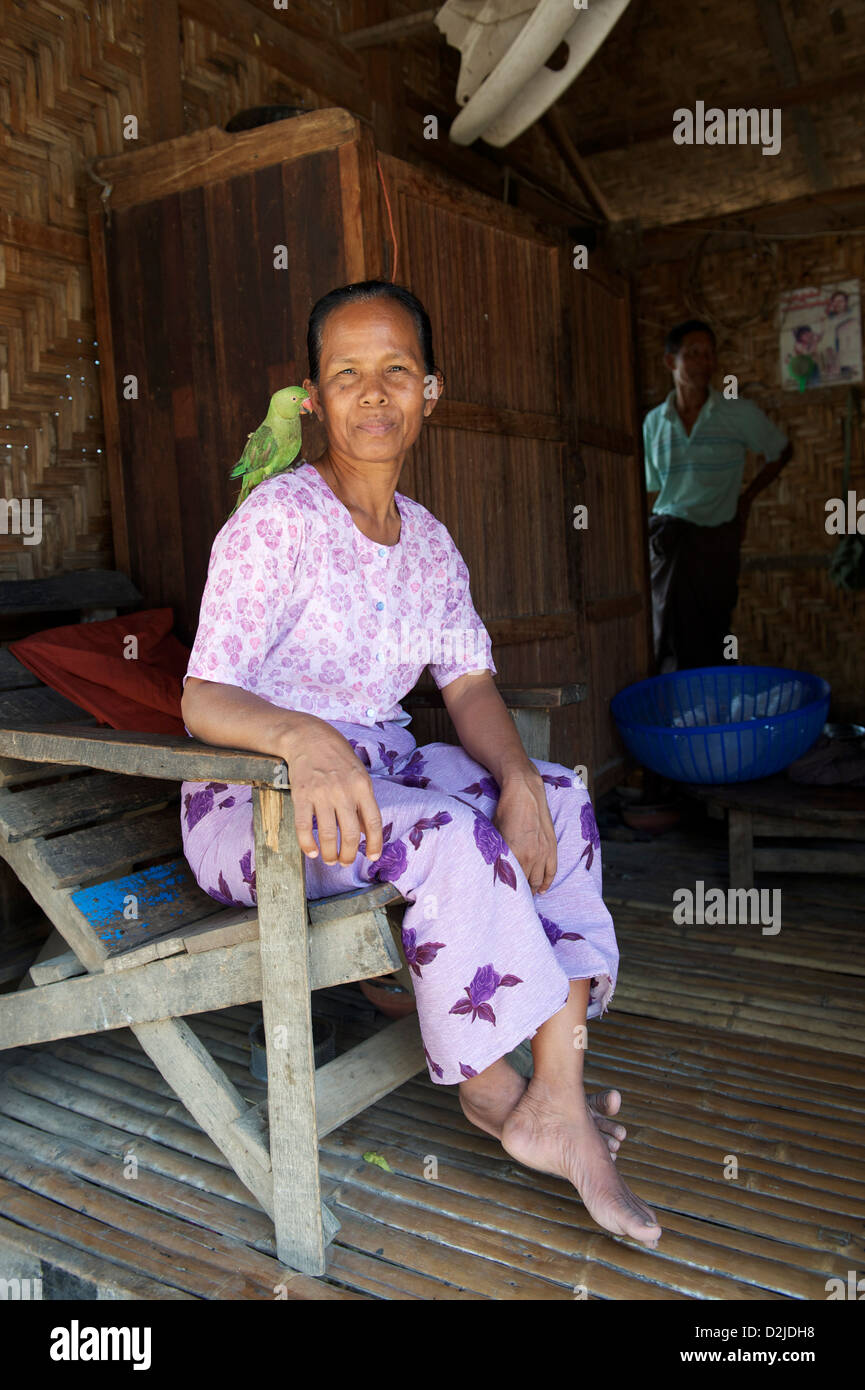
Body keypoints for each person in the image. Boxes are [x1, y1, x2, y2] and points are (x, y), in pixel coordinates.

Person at [180, 279, 662, 1248]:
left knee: (562, 797)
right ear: (313, 398)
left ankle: (553, 1097)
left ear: (428, 391)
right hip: (259, 804)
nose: (373, 394)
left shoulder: (430, 543)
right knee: (447, 835)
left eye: (395, 370)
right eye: (346, 374)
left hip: (376, 785)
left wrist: (520, 779)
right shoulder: (276, 522)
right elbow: (201, 698)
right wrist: (303, 737)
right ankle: (495, 1094)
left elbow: (470, 683)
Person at [643, 319, 793, 671]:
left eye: (709, 354)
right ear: (671, 362)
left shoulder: (737, 414)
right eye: (693, 353)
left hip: (715, 539)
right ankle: (675, 714)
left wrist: (746, 499)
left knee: (713, 631)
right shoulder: (654, 423)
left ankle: (712, 710)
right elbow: (653, 490)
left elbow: (781, 451)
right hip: (668, 540)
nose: (703, 362)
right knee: (664, 633)